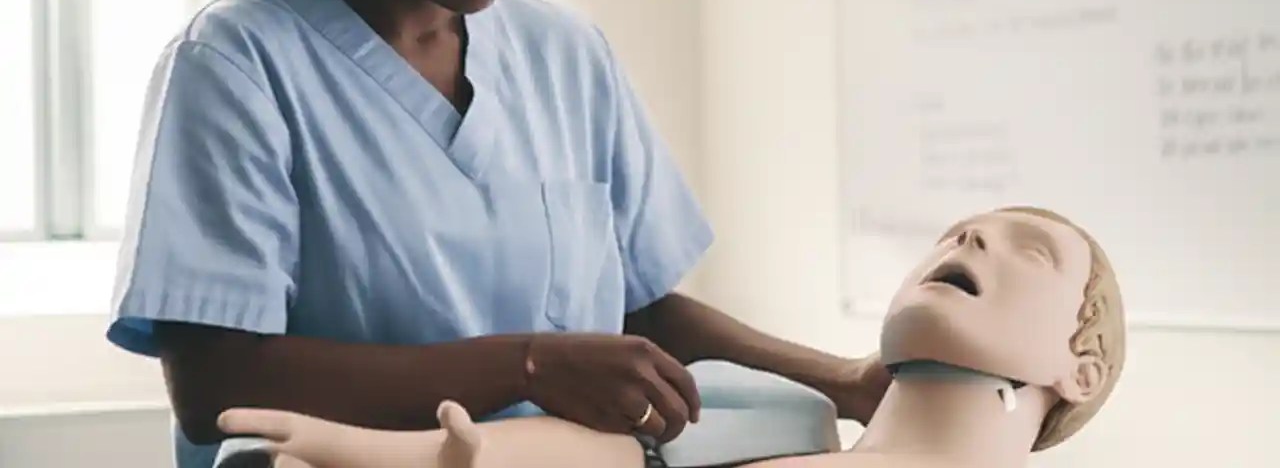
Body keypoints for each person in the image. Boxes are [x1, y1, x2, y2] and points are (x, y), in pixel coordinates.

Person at [105, 0, 890, 468]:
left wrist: (847, 383)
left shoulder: (565, 52)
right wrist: (527, 365)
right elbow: (216, 386)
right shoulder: (239, 65)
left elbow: (641, 312)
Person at [213, 206, 1126, 468]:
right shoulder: (772, 416)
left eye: (1027, 251)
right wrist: (382, 455)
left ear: (1078, 372)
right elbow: (586, 453)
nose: (964, 240)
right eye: (957, 230)